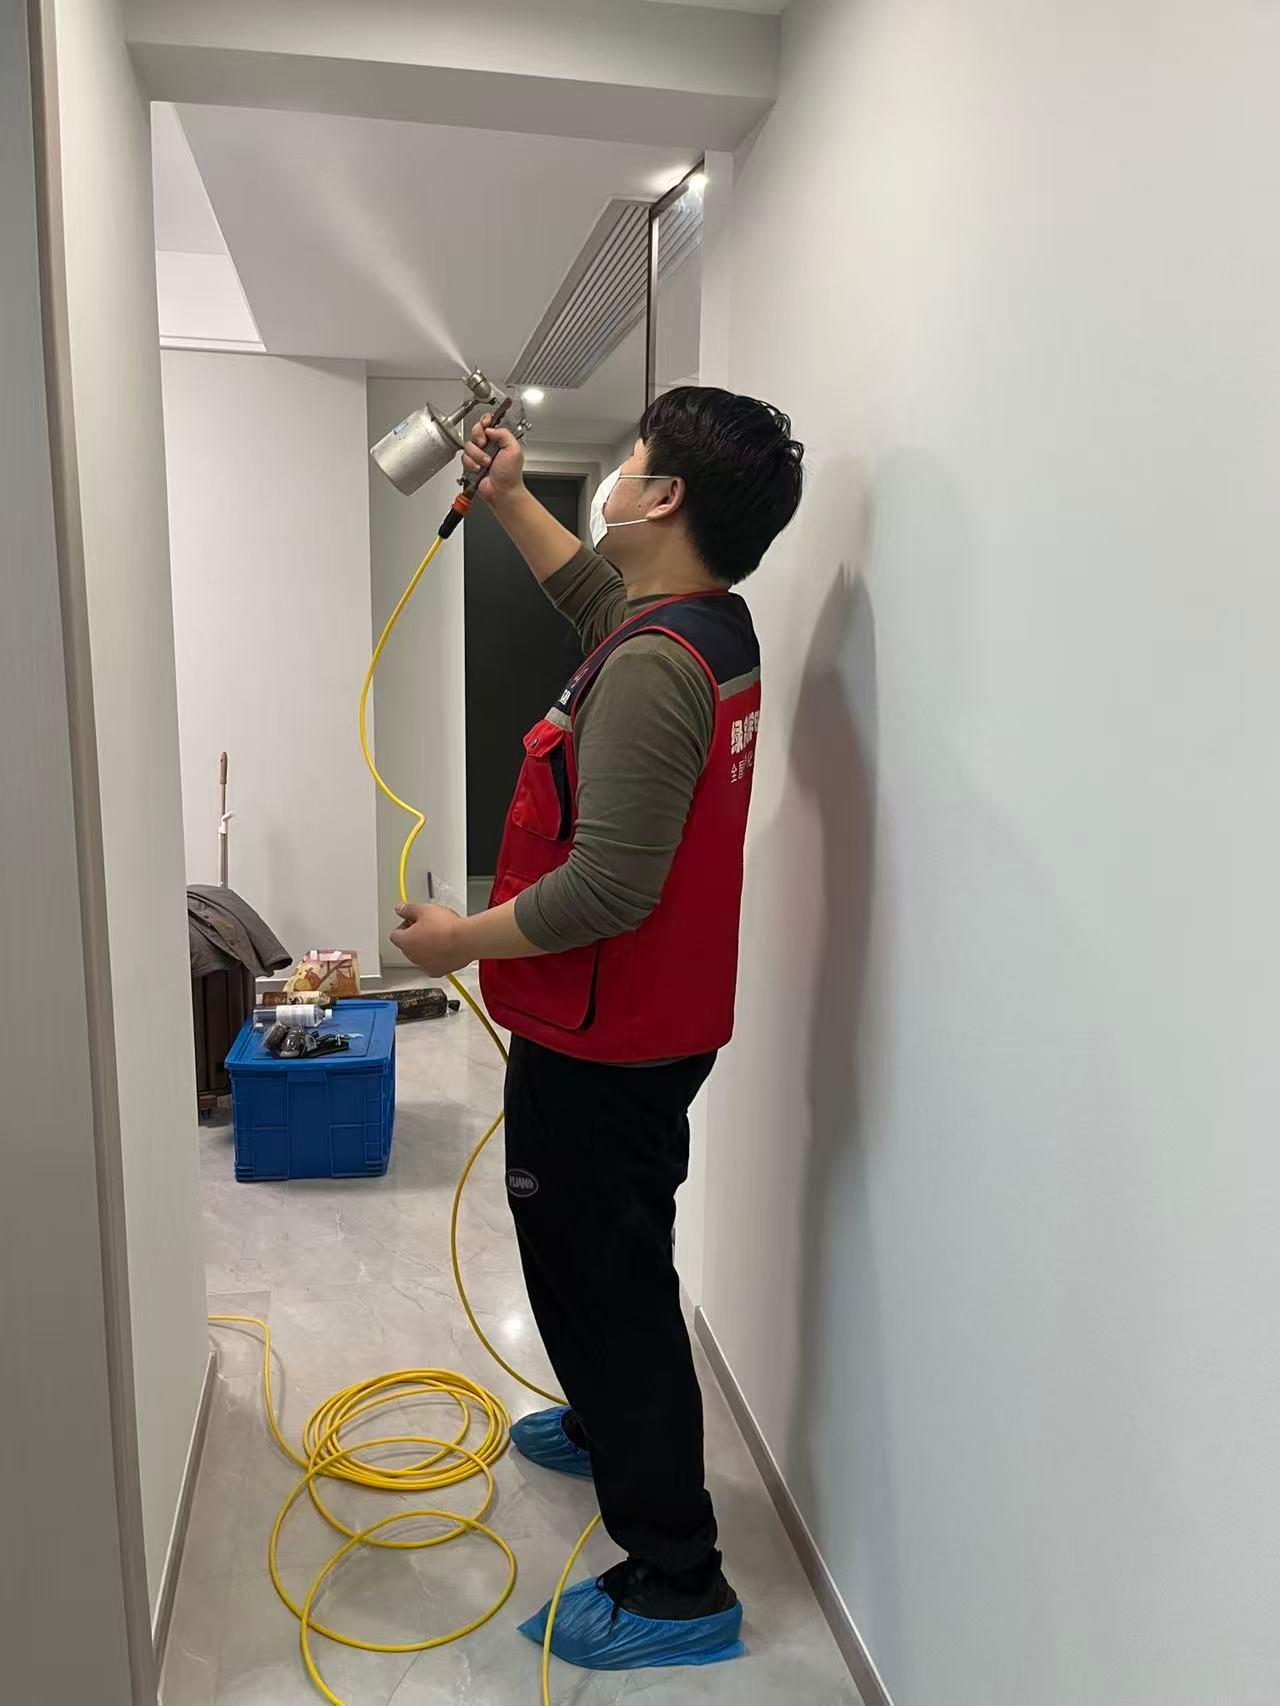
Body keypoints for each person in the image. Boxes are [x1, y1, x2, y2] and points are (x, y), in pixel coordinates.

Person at [391, 385, 804, 1671]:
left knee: (604, 1281)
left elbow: (608, 887)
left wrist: (458, 938)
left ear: (663, 496)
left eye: (629, 461)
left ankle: (677, 1580)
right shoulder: (700, 624)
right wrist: (511, 495)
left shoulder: (655, 666)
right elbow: (593, 602)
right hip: (653, 1017)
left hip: (606, 1031)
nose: (615, 476)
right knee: (605, 1245)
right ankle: (605, 1423)